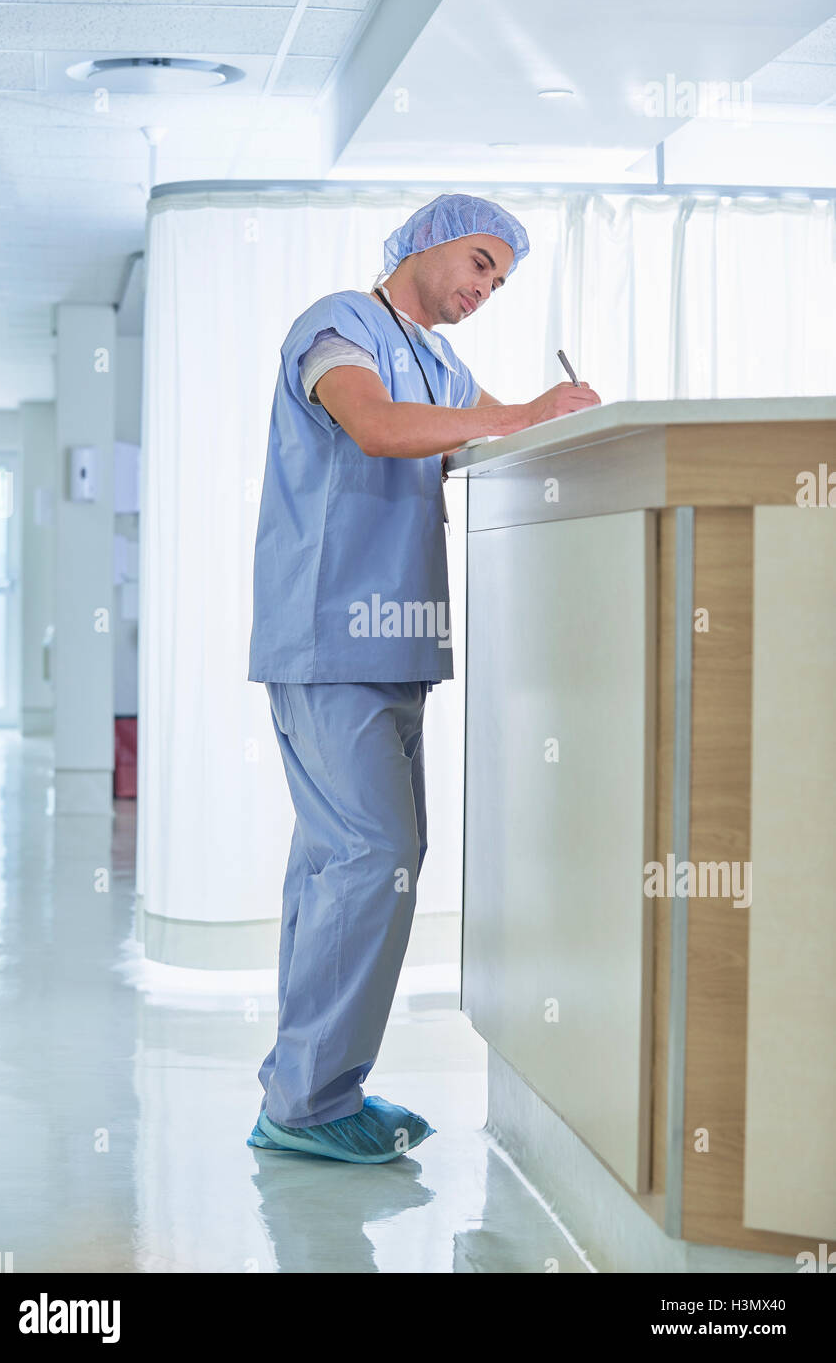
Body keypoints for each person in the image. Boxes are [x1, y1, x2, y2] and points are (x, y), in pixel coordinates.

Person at [245, 193, 601, 1164]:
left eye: (499, 278)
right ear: (424, 242)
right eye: (480, 262)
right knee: (370, 859)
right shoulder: (339, 323)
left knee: (345, 867)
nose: (485, 288)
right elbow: (371, 424)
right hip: (329, 631)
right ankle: (308, 1102)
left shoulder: (446, 364)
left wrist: (543, 434)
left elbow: (463, 450)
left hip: (397, 644)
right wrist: (520, 410)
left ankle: (307, 1086)